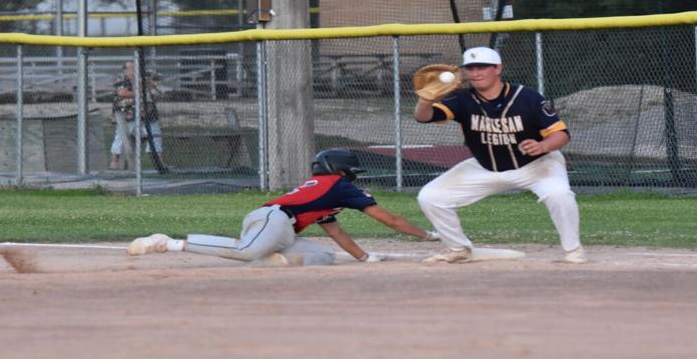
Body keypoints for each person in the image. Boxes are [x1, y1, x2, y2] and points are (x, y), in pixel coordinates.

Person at [413, 46, 584, 264]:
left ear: (498, 69)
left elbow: (561, 134)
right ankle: (458, 249)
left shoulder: (527, 97)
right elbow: (424, 117)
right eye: (471, 68)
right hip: (486, 167)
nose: (476, 73)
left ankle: (573, 249)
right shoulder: (461, 98)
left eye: (482, 67)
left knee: (559, 195)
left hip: (537, 165)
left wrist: (543, 146)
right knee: (430, 197)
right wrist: (425, 100)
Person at [127, 149, 439, 266]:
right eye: (351, 170)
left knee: (322, 256)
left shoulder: (325, 191)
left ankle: (269, 259)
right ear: (340, 169)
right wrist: (428, 235)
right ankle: (167, 243)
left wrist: (365, 257)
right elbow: (391, 219)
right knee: (246, 251)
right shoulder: (338, 185)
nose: (352, 175)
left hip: (282, 230)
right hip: (273, 219)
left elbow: (335, 231)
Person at [111, 59, 167, 173]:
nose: (135, 70)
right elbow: (122, 92)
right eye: (132, 68)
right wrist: (141, 93)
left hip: (147, 115)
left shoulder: (144, 79)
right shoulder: (121, 78)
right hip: (127, 115)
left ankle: (160, 164)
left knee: (155, 136)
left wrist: (150, 83)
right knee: (121, 139)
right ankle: (114, 163)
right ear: (126, 70)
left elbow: (158, 89)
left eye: (136, 67)